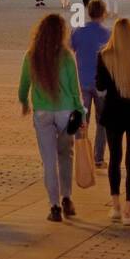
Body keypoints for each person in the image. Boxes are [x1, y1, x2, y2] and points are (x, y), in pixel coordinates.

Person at [19, 12, 85, 222]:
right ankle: (67, 198)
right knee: (66, 155)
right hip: (66, 111)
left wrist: (24, 102)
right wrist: (81, 113)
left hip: (42, 112)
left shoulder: (31, 55)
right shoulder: (66, 56)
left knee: (48, 161)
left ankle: (54, 206)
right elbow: (75, 89)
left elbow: (23, 85)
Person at [95, 18, 130, 225]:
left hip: (113, 112)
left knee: (115, 159)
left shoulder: (103, 56)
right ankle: (129, 210)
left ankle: (115, 206)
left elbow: (100, 85)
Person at [71, 0, 111, 170]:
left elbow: (70, 49)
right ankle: (98, 157)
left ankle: (81, 157)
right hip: (101, 85)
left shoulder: (78, 32)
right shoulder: (108, 34)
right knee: (102, 121)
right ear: (103, 14)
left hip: (83, 82)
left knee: (81, 121)